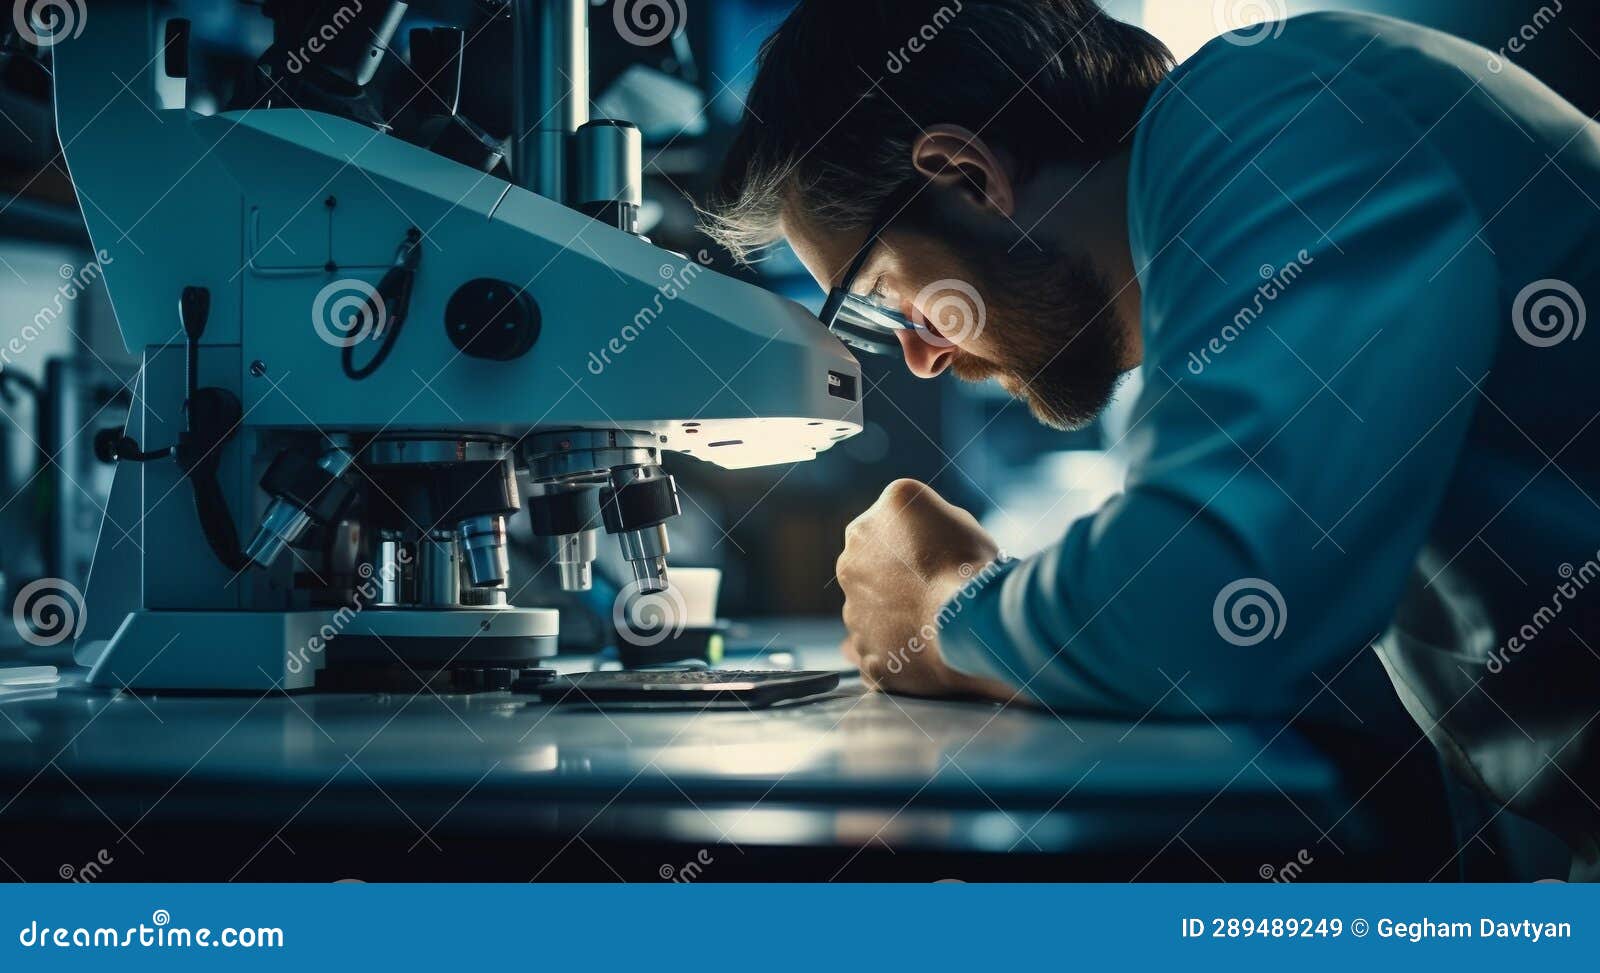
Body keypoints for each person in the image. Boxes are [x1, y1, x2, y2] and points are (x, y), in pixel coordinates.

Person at [703, 1, 1600, 878]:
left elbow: (1208, 606)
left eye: (887, 296)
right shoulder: (1230, 199)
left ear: (968, 176)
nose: (921, 357)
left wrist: (943, 606)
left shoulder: (1282, 109)